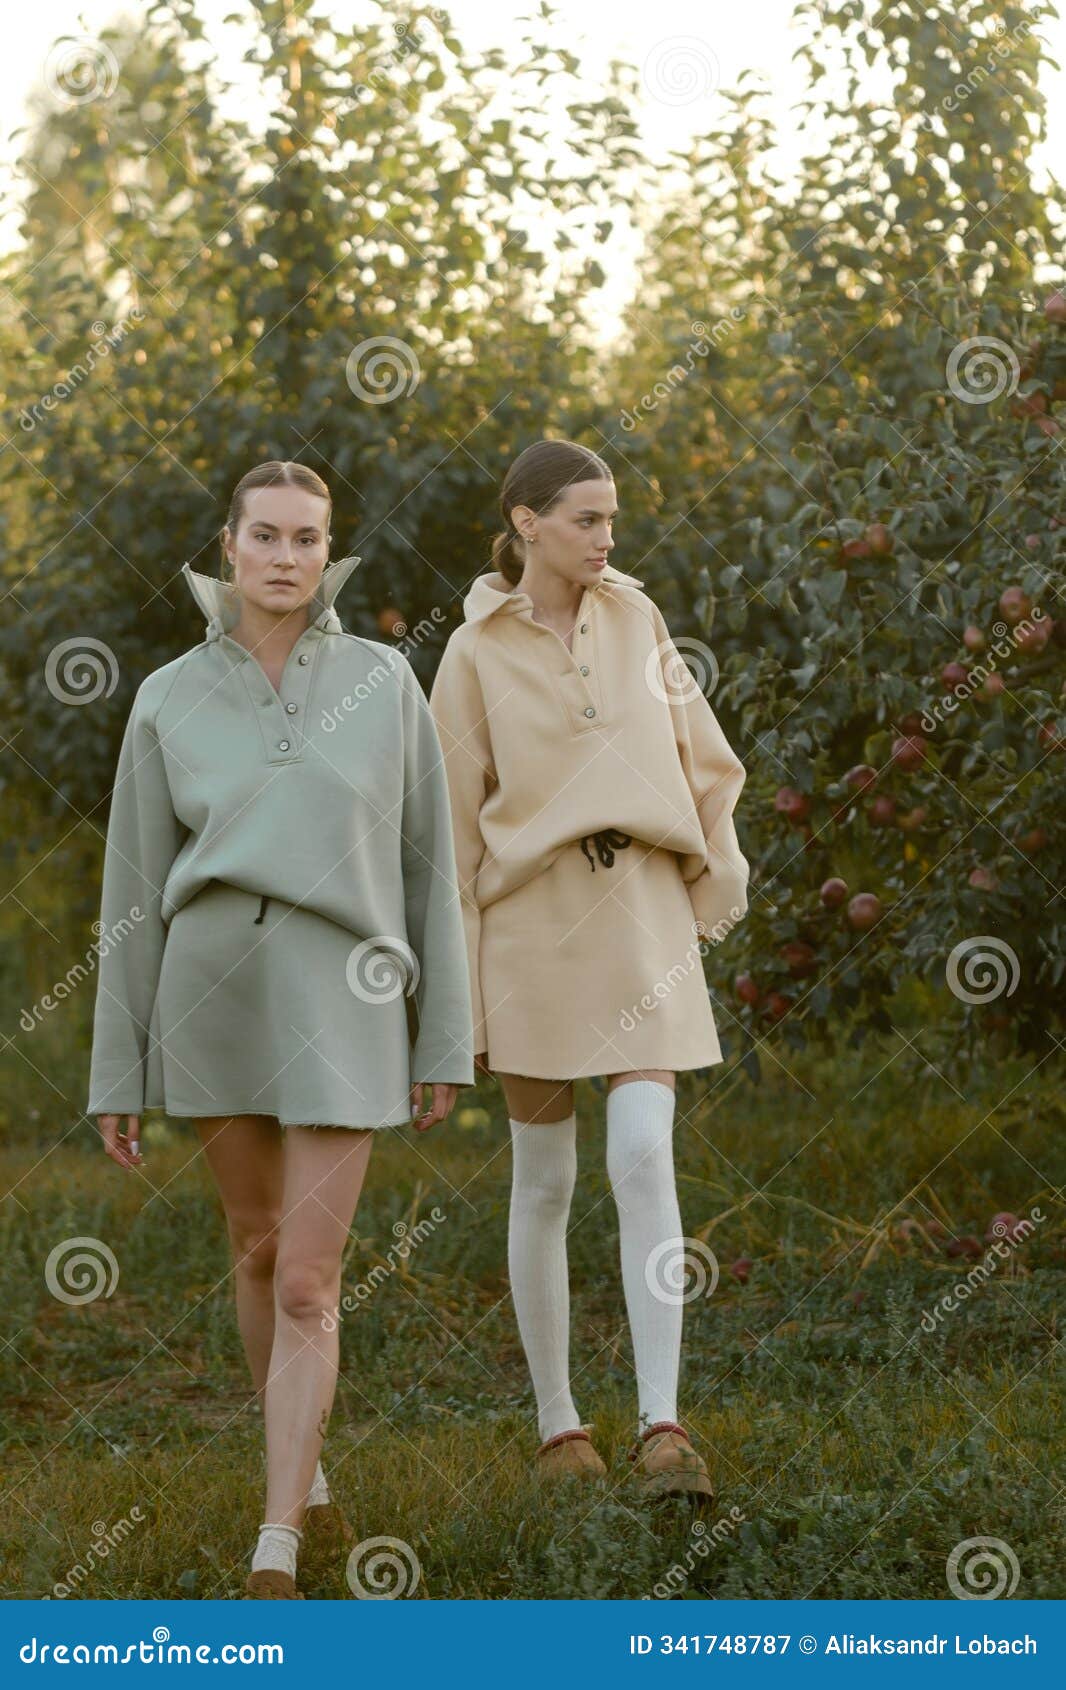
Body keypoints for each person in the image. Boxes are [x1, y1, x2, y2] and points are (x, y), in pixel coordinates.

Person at [86, 460, 473, 1597]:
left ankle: (276, 1542)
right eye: (267, 536)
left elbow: (428, 867)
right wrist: (120, 1061)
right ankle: (300, 1474)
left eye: (309, 537)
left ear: (329, 551)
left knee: (310, 1276)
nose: (288, 557)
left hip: (348, 995)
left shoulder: (384, 680)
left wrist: (442, 1033)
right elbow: (132, 891)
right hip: (212, 992)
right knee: (254, 1247)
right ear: (230, 544)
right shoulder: (166, 695)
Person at [429, 439, 749, 1505]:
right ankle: (559, 1425)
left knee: (646, 1154)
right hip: (529, 925)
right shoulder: (471, 651)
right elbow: (448, 829)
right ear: (525, 522)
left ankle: (664, 1426)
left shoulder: (637, 618)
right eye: (585, 519)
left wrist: (711, 873)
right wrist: (458, 983)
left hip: (640, 908)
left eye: (612, 518)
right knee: (547, 1176)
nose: (607, 538)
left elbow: (702, 750)